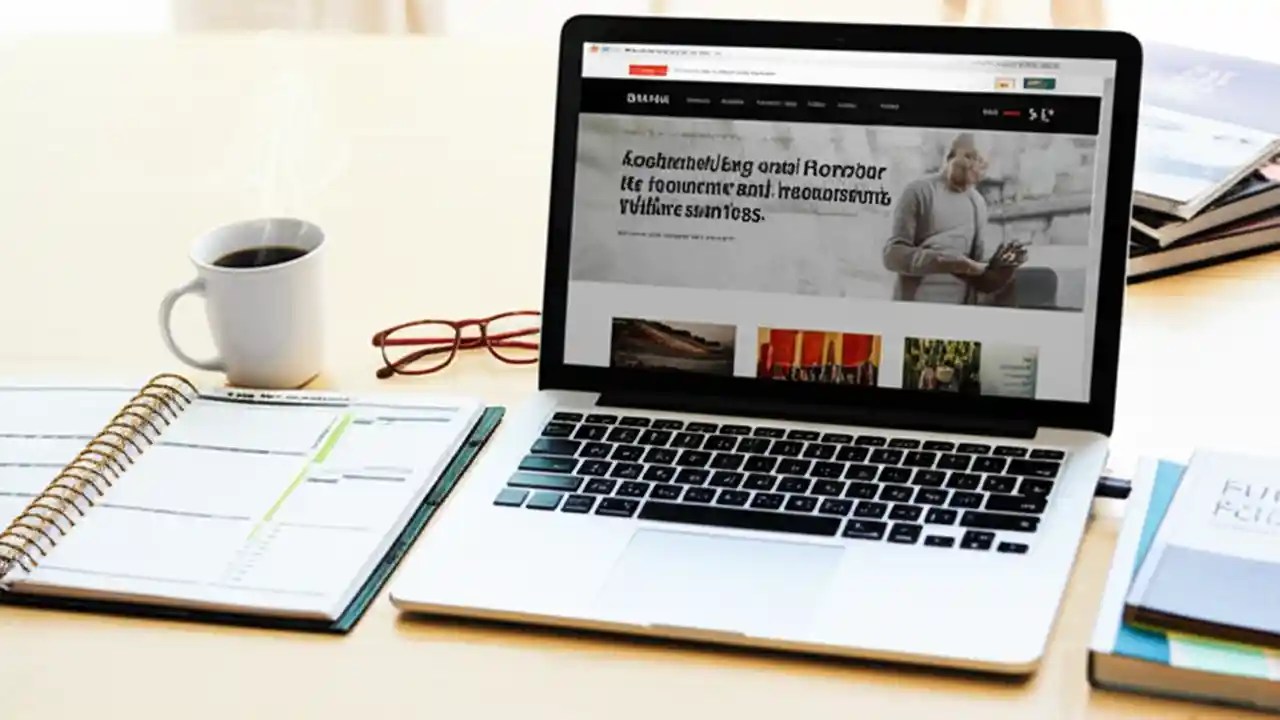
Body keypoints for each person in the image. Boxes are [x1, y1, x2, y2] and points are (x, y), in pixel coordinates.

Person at [883, 133, 1020, 304]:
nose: (974, 166)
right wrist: (951, 262)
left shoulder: (978, 203)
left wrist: (998, 272)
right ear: (950, 155)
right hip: (916, 305)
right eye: (970, 157)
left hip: (956, 311)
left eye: (982, 163)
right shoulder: (918, 191)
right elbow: (893, 256)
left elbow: (977, 272)